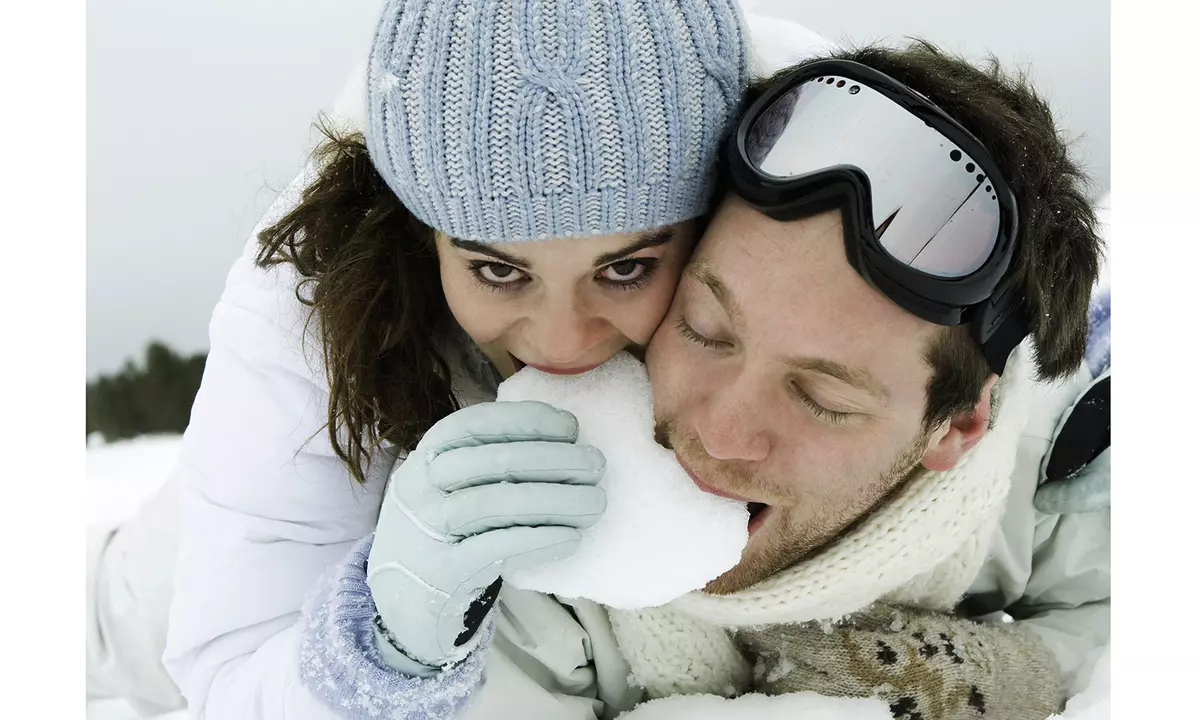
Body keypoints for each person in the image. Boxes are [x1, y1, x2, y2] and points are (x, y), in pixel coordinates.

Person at [307, 40, 1108, 720]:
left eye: (823, 398)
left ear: (958, 429)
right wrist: (397, 658)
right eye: (704, 328)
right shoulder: (542, 509)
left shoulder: (1051, 463)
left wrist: (990, 676)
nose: (716, 433)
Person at [85, 0, 749, 717]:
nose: (563, 342)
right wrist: (383, 643)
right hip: (170, 584)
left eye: (626, 269)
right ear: (422, 234)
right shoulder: (307, 314)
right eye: (498, 272)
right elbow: (230, 663)